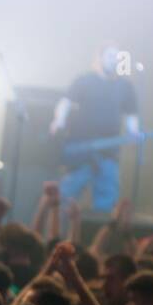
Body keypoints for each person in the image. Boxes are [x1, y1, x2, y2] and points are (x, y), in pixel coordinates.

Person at [49, 43, 139, 217]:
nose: (113, 60)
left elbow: (132, 114)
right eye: (110, 56)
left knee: (106, 203)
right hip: (81, 151)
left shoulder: (125, 86)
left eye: (116, 57)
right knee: (65, 198)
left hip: (108, 154)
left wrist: (133, 131)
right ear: (100, 58)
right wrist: (58, 121)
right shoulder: (84, 80)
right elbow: (65, 102)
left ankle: (98, 238)